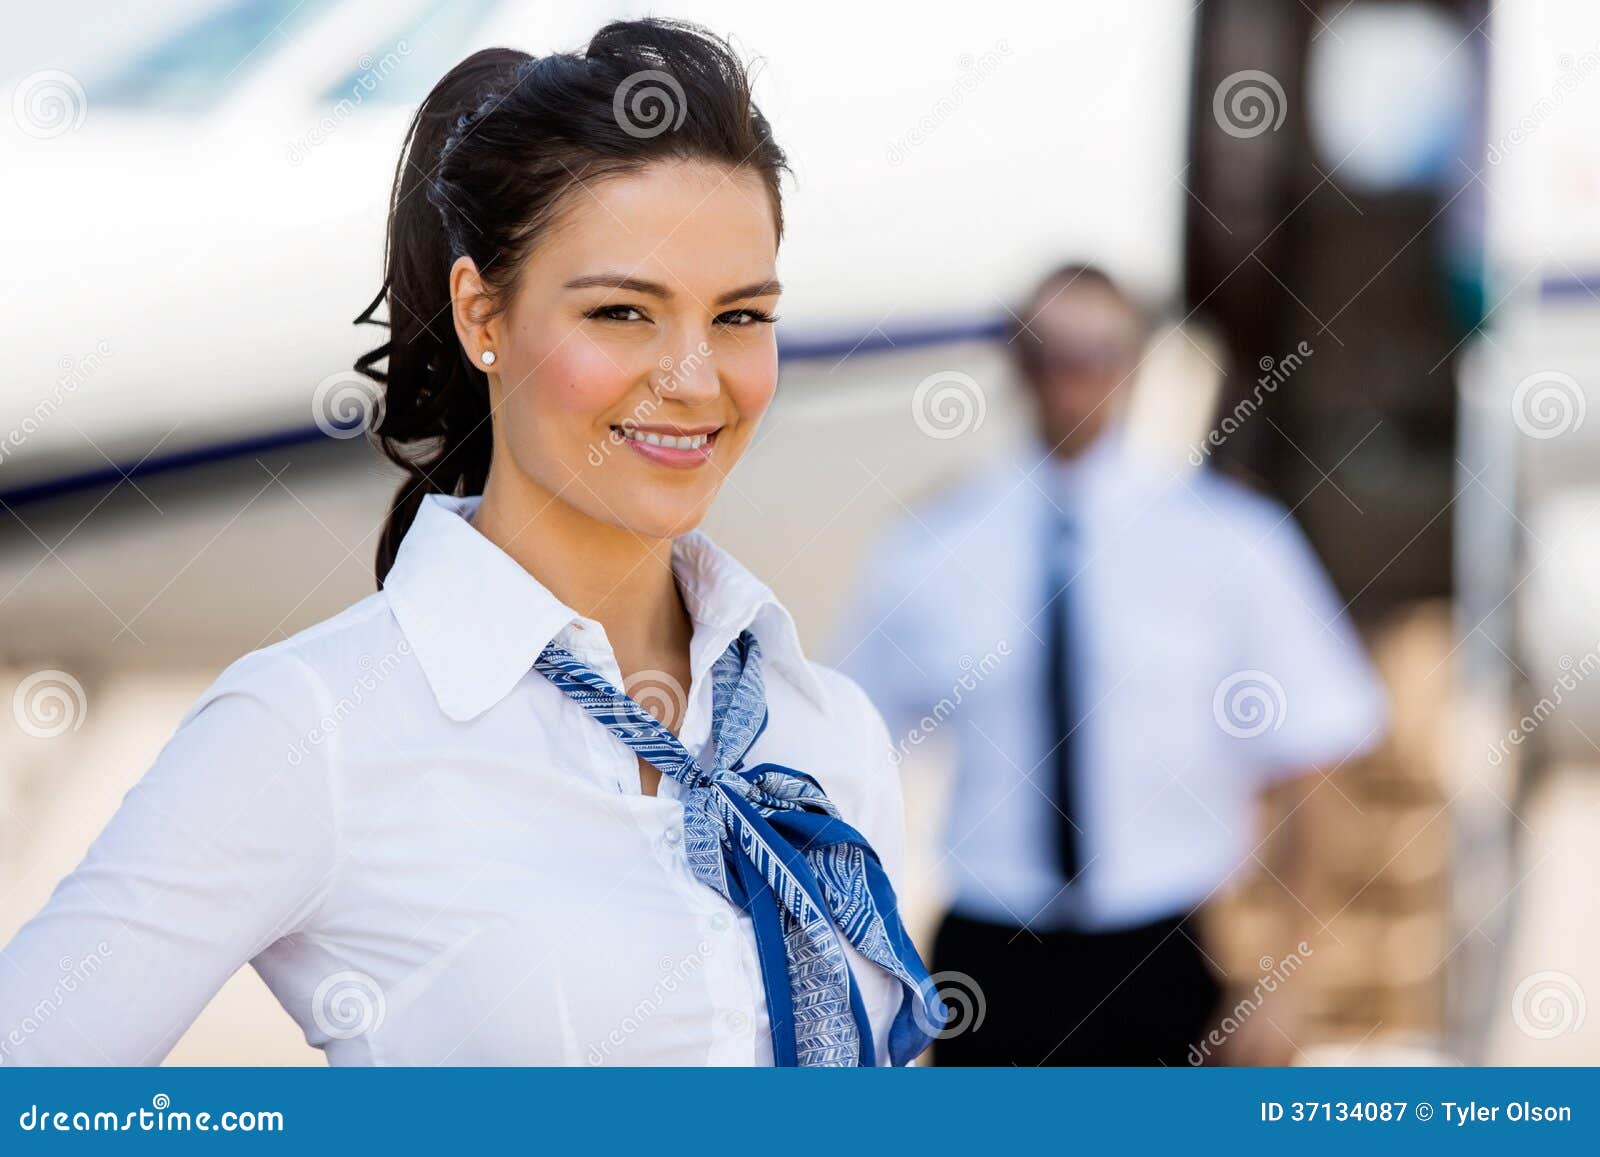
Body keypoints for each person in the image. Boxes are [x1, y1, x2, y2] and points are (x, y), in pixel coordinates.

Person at [0, 19, 943, 1068]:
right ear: (481, 313)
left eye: (739, 316)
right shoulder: (313, 726)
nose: (693, 376)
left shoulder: (829, 730)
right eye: (624, 311)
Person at [834, 264, 1387, 1066]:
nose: (1076, 374)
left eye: (1100, 349)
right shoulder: (932, 547)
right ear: (1017, 364)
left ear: (1135, 360)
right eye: (1051, 351)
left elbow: (1318, 759)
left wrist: (1288, 977)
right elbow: (846, 758)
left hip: (1168, 945)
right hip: (991, 953)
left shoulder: (1231, 540)